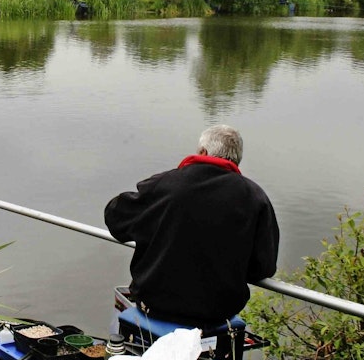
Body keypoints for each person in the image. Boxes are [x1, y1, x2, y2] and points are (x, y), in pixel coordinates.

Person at [104, 125, 279, 326]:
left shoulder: (167, 184)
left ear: (203, 152)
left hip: (156, 308)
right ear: (236, 159)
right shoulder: (255, 197)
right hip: (217, 315)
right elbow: (263, 267)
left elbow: (115, 220)